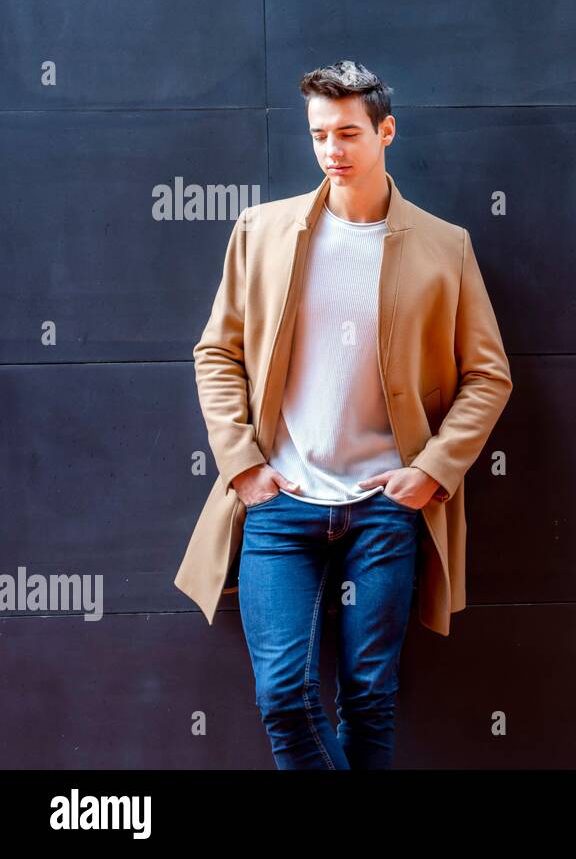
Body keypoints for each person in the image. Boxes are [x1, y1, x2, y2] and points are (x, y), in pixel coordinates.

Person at [176, 59, 512, 768]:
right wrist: (243, 466)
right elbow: (217, 353)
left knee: (368, 698)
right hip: (280, 503)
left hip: (384, 507)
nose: (332, 150)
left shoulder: (444, 246)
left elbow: (488, 375)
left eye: (349, 133)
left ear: (386, 132)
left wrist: (431, 472)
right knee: (283, 697)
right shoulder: (262, 230)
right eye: (319, 135)